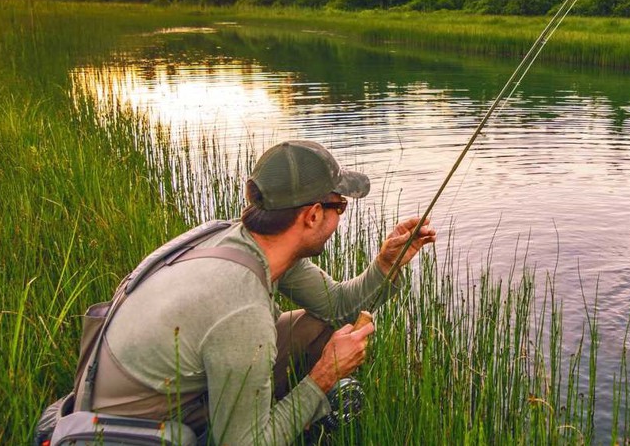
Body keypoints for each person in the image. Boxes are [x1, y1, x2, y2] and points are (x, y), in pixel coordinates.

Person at [80, 140, 435, 443]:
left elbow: (337, 307)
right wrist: (324, 376)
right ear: (312, 215)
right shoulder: (241, 309)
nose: (341, 216)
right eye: (339, 206)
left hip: (159, 386)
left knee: (314, 330)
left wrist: (388, 264)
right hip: (136, 429)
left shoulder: (242, 240)